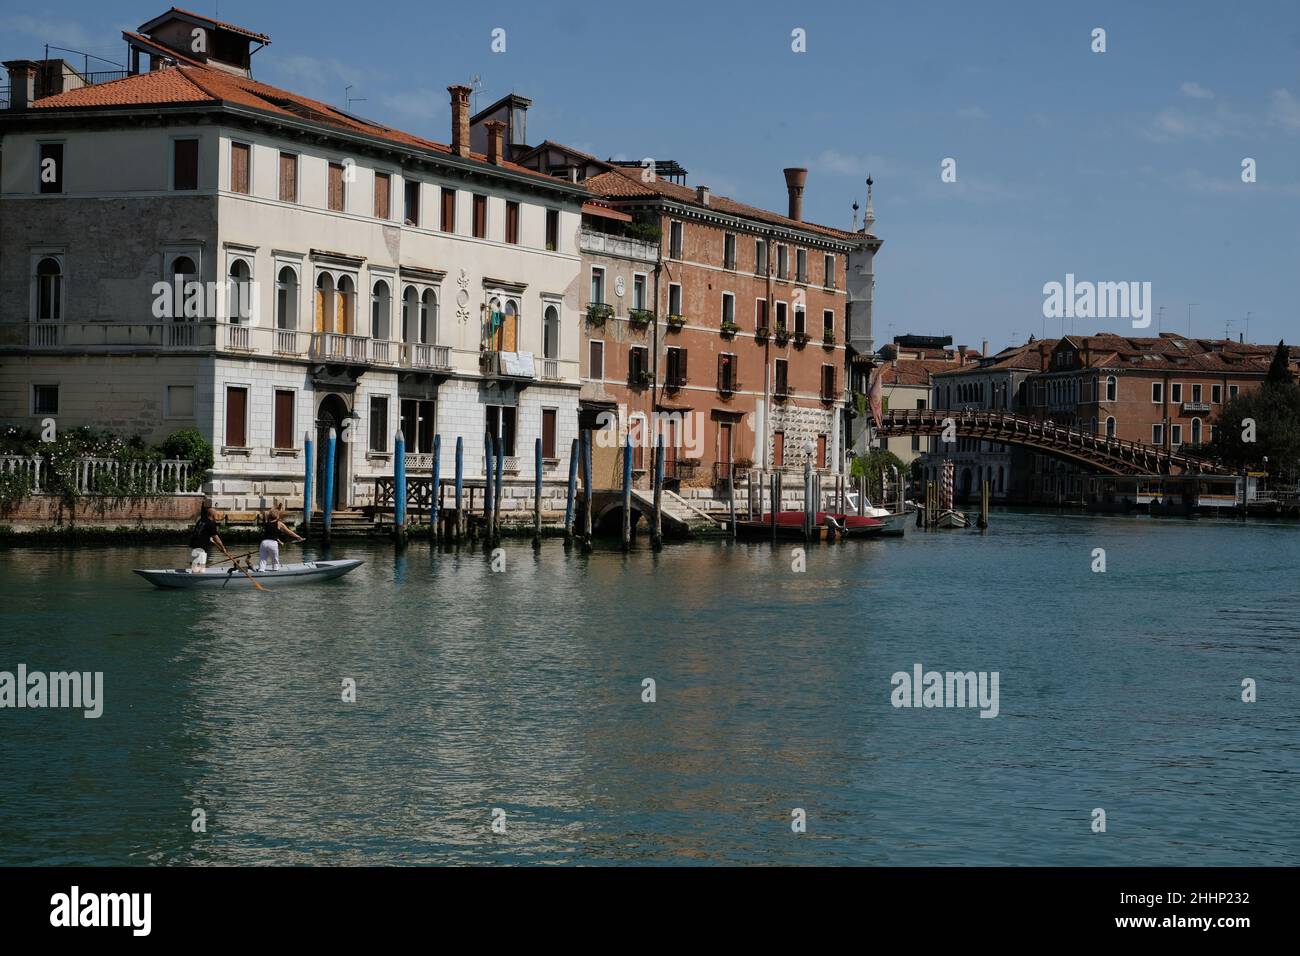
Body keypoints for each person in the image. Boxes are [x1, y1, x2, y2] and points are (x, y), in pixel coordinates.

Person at [258, 502, 304, 572]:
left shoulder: (267, 523)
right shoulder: (279, 523)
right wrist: (298, 537)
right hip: (273, 544)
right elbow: (289, 532)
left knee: (263, 559)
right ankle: (275, 570)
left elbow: (271, 534)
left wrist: (279, 541)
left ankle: (261, 570)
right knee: (275, 560)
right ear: (277, 516)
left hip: (263, 543)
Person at [188, 503, 224, 573]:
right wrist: (223, 548)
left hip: (192, 546)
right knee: (199, 569)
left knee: (195, 567)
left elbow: (202, 533)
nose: (216, 516)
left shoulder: (201, 520)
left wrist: (209, 539)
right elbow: (216, 538)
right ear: (213, 515)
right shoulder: (211, 524)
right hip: (200, 548)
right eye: (216, 514)